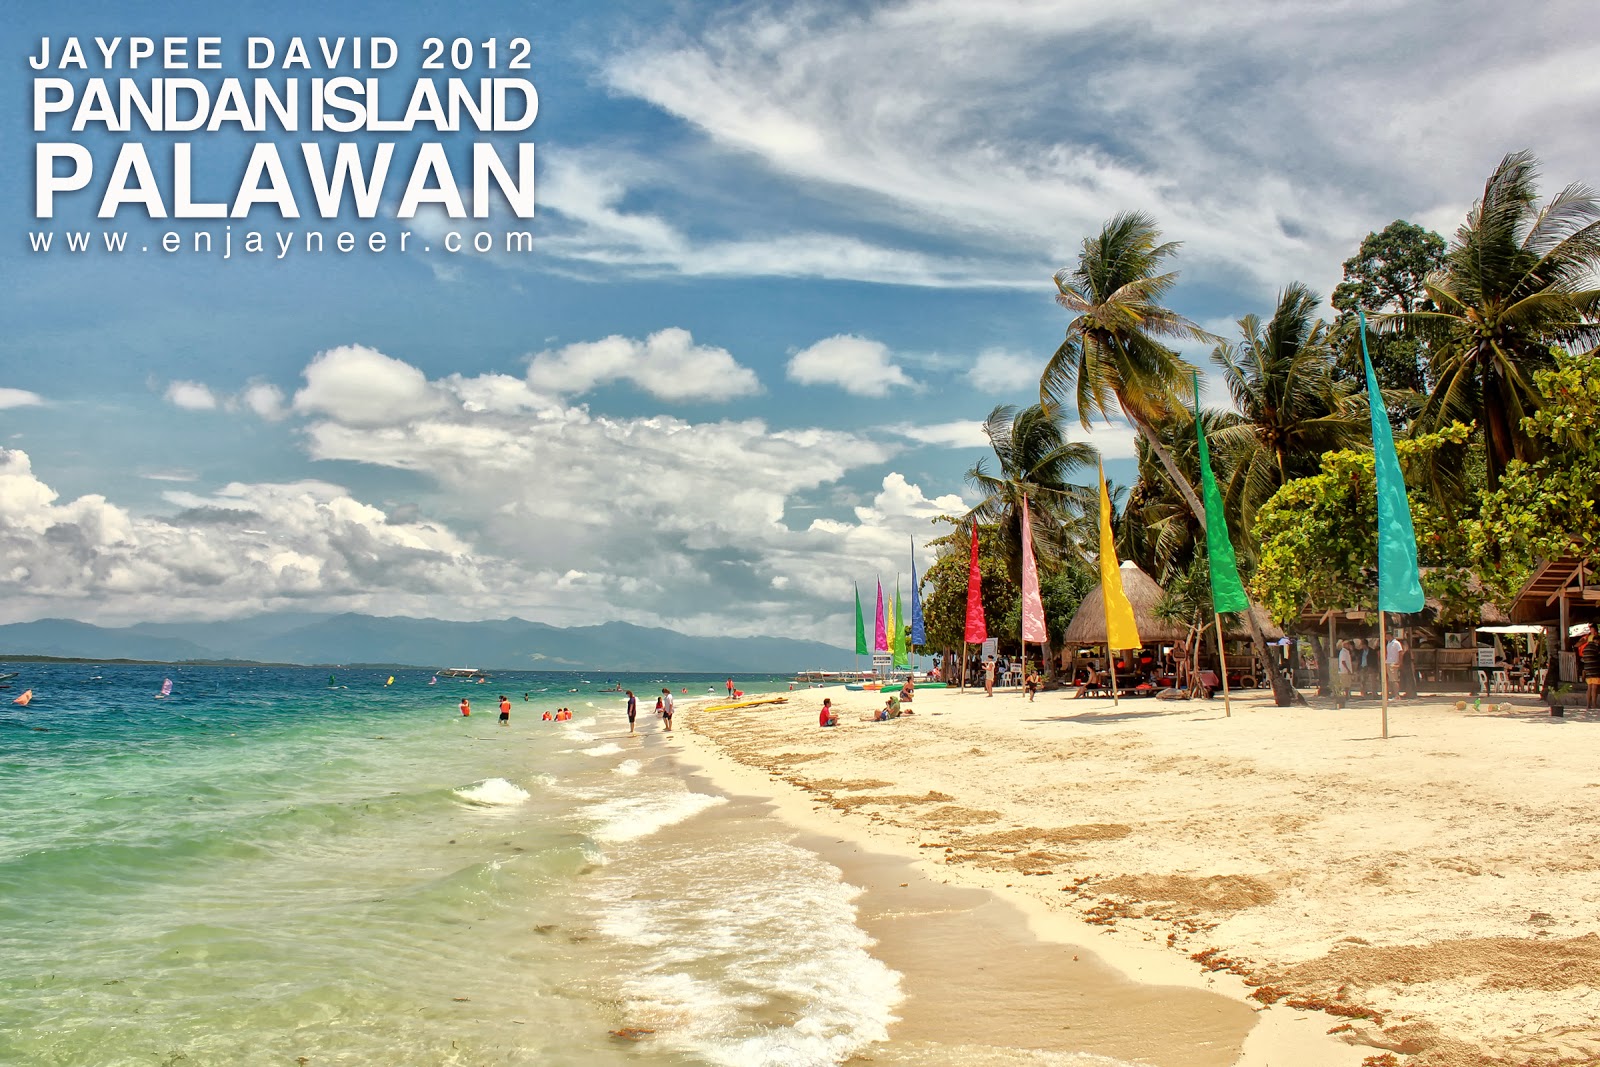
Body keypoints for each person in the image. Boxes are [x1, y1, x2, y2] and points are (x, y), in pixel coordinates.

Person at [1583, 626, 1600, 711]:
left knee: (1589, 687)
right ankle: (1594, 704)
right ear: (1597, 641)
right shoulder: (1596, 647)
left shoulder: (1586, 647)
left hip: (1587, 669)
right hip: (1595, 669)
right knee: (1594, 688)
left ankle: (1588, 705)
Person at [1335, 640, 1354, 709]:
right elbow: (1343, 662)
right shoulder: (1343, 652)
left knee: (1347, 684)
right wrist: (1348, 670)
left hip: (1347, 671)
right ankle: (1344, 696)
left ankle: (1347, 695)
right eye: (1348, 644)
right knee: (1344, 684)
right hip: (1344, 671)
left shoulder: (1347, 652)